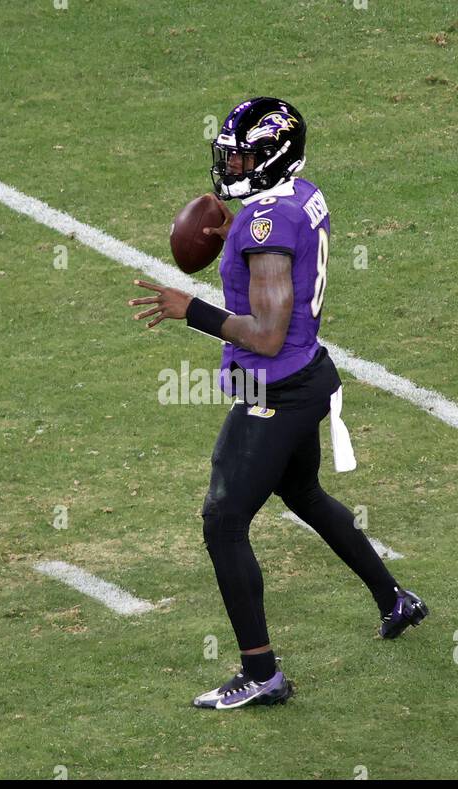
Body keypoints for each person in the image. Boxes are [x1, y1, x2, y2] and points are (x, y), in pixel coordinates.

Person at [127, 97, 428, 710]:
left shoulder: (267, 224)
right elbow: (272, 240)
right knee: (304, 494)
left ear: (272, 157)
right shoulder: (297, 197)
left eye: (243, 155)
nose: (232, 165)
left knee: (223, 520)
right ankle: (396, 600)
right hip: (304, 373)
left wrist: (194, 311)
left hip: (278, 388)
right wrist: (236, 232)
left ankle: (261, 673)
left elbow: (264, 332)